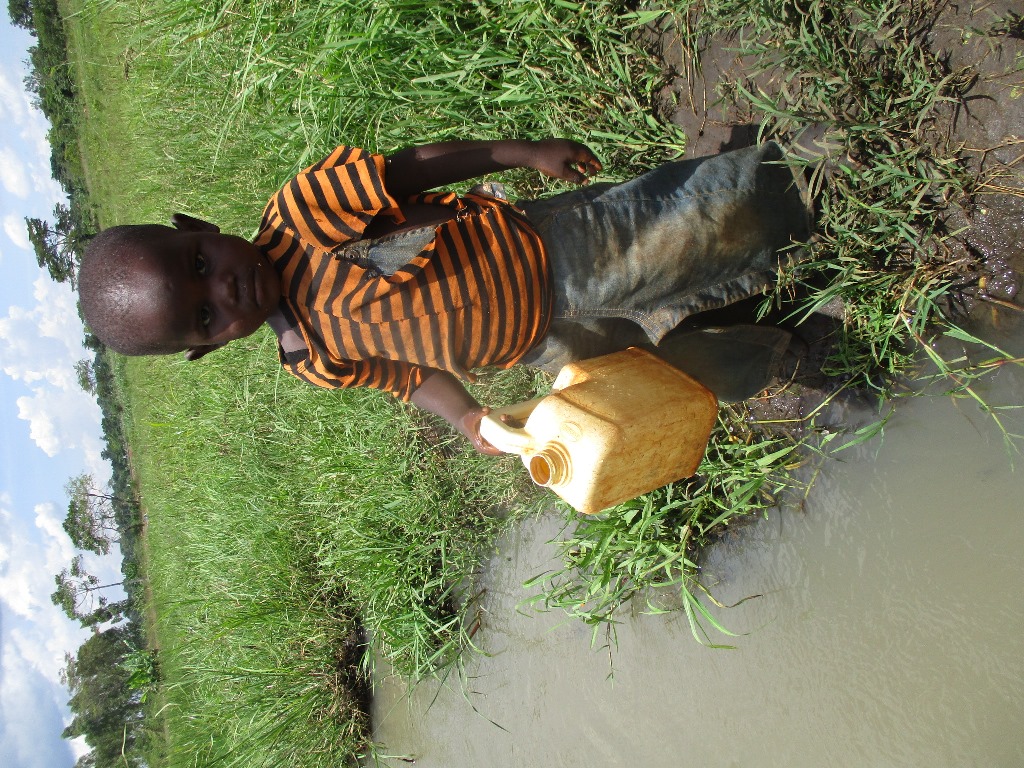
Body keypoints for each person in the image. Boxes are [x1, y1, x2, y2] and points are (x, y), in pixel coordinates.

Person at [78, 138, 813, 454]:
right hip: (538, 344)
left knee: (688, 227)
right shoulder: (309, 357)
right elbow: (407, 377)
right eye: (206, 311)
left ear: (198, 228)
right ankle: (779, 340)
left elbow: (410, 171)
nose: (224, 285)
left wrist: (518, 153)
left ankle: (808, 179)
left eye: (200, 260)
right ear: (209, 344)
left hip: (553, 251)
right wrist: (467, 416)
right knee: (651, 363)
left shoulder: (302, 213)